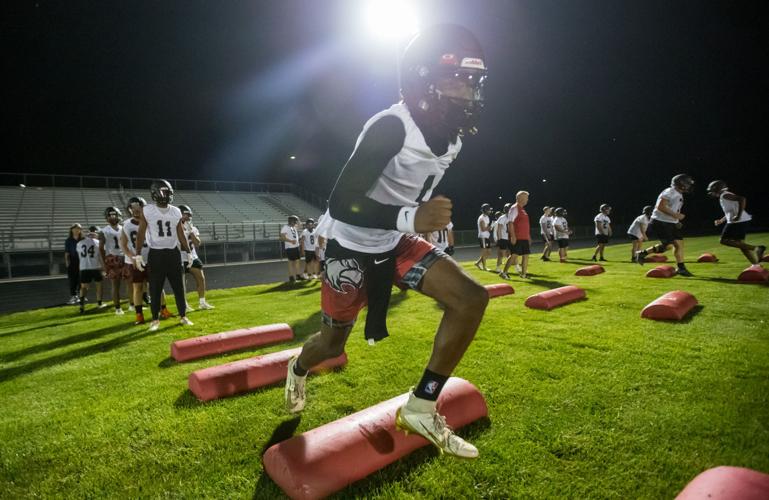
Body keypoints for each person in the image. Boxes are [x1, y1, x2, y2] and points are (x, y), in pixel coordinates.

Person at [284, 24, 489, 459]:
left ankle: (423, 403)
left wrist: (409, 217)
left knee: (471, 298)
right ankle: (298, 367)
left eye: (472, 83)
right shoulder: (392, 126)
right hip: (351, 246)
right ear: (423, 79)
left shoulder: (451, 135)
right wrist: (412, 215)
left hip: (395, 239)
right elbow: (340, 201)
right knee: (331, 344)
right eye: (455, 80)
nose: (466, 93)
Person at [133, 180, 194, 331]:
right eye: (164, 192)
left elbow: (180, 233)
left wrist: (188, 252)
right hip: (156, 253)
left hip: (173, 253)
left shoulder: (175, 211)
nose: (167, 195)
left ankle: (183, 316)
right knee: (155, 288)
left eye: (168, 192)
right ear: (156, 193)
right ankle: (155, 320)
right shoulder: (148, 210)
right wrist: (138, 254)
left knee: (179, 287)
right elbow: (140, 234)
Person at [635, 174, 694, 276]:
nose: (689, 186)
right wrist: (676, 215)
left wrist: (676, 220)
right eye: (687, 183)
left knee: (679, 245)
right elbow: (660, 207)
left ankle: (681, 268)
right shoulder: (670, 191)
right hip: (660, 222)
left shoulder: (677, 193)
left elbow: (672, 208)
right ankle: (642, 253)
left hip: (670, 222)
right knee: (669, 245)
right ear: (681, 183)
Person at [707, 180, 766, 264]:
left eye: (712, 190)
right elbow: (730, 211)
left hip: (738, 221)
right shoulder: (725, 195)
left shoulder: (724, 195)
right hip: (741, 220)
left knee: (723, 240)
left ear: (717, 189)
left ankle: (757, 249)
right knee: (741, 245)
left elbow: (742, 199)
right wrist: (721, 220)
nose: (711, 193)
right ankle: (756, 265)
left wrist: (738, 216)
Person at [178, 205, 214, 310]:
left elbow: (197, 243)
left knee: (201, 278)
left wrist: (191, 232)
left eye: (190, 215)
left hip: (192, 257)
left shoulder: (192, 228)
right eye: (186, 214)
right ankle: (184, 305)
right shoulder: (174, 228)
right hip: (180, 257)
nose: (189, 217)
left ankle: (202, 302)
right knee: (182, 283)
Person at [99, 207, 130, 315]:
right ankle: (117, 308)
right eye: (111, 215)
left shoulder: (124, 228)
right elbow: (101, 248)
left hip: (124, 257)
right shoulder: (103, 231)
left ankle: (132, 305)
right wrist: (104, 263)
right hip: (112, 258)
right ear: (107, 217)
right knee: (115, 284)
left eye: (115, 215)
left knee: (129, 282)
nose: (113, 217)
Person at [501, 191, 531, 279]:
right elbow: (510, 223)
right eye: (525, 198)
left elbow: (525, 224)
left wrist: (528, 236)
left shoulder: (523, 209)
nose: (527, 200)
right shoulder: (514, 208)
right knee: (514, 255)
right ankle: (504, 272)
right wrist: (513, 236)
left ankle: (523, 274)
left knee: (526, 255)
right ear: (519, 198)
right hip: (517, 237)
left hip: (524, 237)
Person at [76, 226, 105, 313]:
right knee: (99, 285)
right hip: (95, 266)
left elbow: (79, 256)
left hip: (84, 267)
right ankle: (99, 303)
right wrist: (104, 267)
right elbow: (100, 255)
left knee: (84, 287)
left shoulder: (79, 243)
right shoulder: (97, 242)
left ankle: (81, 304)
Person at [280, 215, 303, 283]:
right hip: (290, 247)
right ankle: (291, 277)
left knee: (297, 261)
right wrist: (291, 241)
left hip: (296, 247)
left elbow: (300, 226)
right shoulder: (285, 227)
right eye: (295, 221)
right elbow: (282, 237)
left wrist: (298, 219)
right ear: (291, 221)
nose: (296, 222)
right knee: (291, 262)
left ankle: (298, 275)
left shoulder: (293, 227)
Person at [64, 223, 83, 305]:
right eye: (75, 228)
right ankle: (73, 296)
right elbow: (67, 253)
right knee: (73, 280)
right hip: (72, 261)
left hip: (82, 260)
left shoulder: (83, 239)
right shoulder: (68, 240)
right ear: (71, 230)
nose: (77, 230)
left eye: (78, 229)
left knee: (81, 279)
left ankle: (81, 295)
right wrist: (67, 263)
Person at [474, 203, 492, 271]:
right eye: (489, 210)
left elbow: (486, 228)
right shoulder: (481, 218)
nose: (490, 211)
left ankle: (478, 263)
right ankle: (484, 267)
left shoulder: (486, 217)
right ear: (485, 210)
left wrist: (490, 228)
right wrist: (490, 227)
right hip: (483, 237)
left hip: (486, 236)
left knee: (489, 252)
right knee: (484, 252)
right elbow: (483, 229)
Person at [494, 203, 511, 272]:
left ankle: (517, 267)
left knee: (512, 253)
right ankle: (498, 267)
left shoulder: (512, 217)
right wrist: (499, 239)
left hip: (510, 237)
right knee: (501, 254)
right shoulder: (502, 218)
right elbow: (499, 229)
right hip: (503, 238)